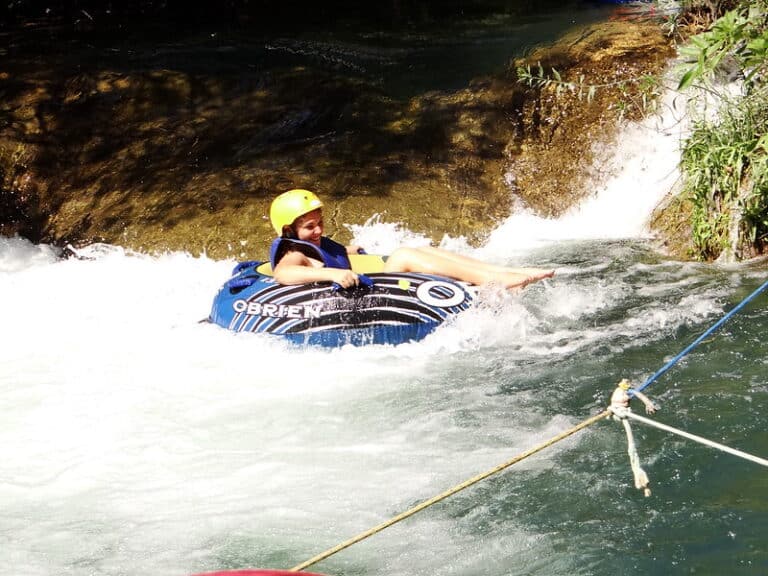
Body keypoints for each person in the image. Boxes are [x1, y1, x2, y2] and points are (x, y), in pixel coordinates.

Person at [269, 189, 555, 289]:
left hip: (367, 289)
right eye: (310, 227)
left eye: (320, 223)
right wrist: (334, 274)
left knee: (421, 248)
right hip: (364, 297)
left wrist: (348, 251)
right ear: (289, 231)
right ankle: (493, 281)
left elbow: (328, 254)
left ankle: (501, 273)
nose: (318, 231)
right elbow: (283, 273)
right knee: (403, 256)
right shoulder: (293, 252)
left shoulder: (313, 244)